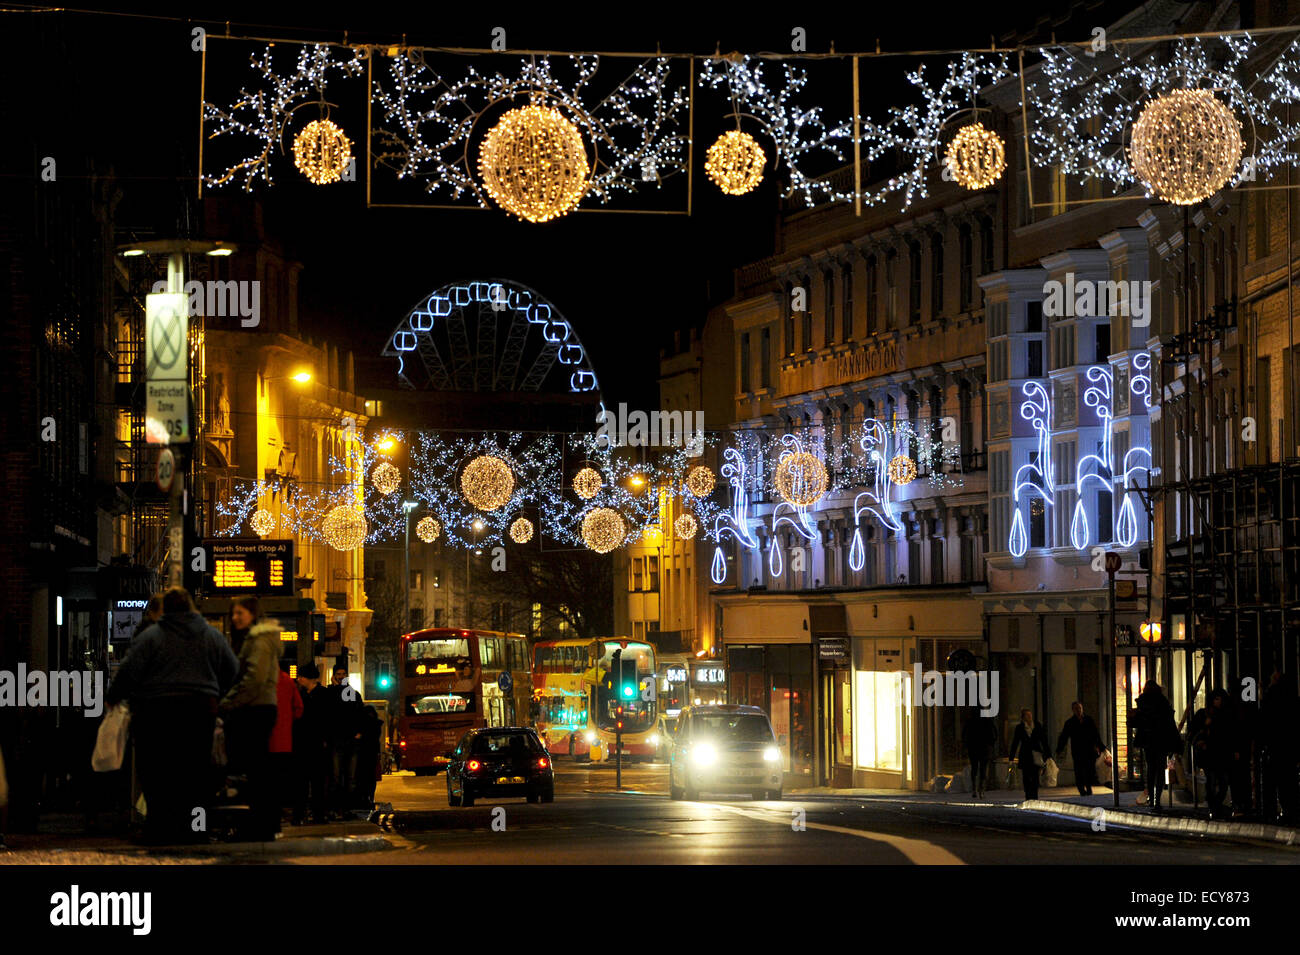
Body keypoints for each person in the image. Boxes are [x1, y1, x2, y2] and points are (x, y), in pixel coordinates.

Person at [106, 586, 238, 845]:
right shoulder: (211, 636)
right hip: (200, 711)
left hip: (156, 713)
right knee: (195, 774)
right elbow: (232, 671)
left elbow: (129, 671)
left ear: (166, 609)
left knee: (158, 774)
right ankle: (194, 829)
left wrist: (114, 697)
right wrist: (217, 694)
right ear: (191, 607)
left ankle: (160, 828)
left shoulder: (152, 637)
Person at [218, 596, 282, 840]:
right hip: (259, 707)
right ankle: (263, 823)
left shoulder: (259, 641)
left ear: (253, 615)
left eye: (240, 613)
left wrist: (230, 702)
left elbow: (253, 679)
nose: (235, 618)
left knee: (256, 769)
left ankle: (259, 825)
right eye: (233, 613)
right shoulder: (256, 640)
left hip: (256, 709)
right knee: (259, 769)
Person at [1260, 670, 1300, 825]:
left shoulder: (1270, 698)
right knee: (1288, 783)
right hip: (1288, 749)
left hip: (1274, 748)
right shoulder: (1292, 699)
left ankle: (1271, 813)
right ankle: (1290, 812)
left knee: (1272, 784)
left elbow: (1264, 724)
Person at [1133, 681, 1180, 812]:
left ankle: (1152, 800)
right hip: (1161, 740)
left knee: (1151, 770)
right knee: (1159, 770)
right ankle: (1157, 800)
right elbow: (1169, 721)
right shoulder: (1162, 702)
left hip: (1149, 741)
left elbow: (1138, 721)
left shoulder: (1143, 702)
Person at [325, 665, 365, 816]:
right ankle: (340, 808)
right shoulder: (347, 693)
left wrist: (359, 732)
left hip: (347, 740)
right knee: (338, 777)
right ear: (334, 676)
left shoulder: (352, 694)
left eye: (343, 674)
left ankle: (344, 808)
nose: (341, 676)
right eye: (338, 674)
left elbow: (360, 714)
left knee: (348, 777)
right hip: (339, 740)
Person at [294, 664, 331, 824]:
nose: (298, 679)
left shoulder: (320, 695)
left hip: (315, 743)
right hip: (306, 743)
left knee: (314, 782)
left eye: (301, 676)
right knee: (306, 782)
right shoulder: (305, 694)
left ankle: (313, 814)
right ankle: (309, 814)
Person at [270, 661, 304, 830]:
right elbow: (298, 708)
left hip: (264, 741)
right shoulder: (288, 681)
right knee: (283, 781)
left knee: (266, 782)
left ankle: (269, 817)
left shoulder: (261, 680)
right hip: (284, 741)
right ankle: (281, 816)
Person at [1190, 689, 1233, 819]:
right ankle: (1213, 806)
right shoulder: (1203, 714)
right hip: (1209, 754)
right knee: (1212, 780)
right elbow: (1194, 731)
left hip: (1221, 753)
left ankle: (1216, 804)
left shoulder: (1225, 715)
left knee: (1223, 783)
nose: (1219, 702)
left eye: (1220, 699)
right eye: (1216, 699)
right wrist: (1204, 730)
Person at [1056, 701, 1105, 796]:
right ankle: (1081, 789)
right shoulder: (1070, 723)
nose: (1078, 710)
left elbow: (1095, 734)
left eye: (1080, 708)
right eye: (1076, 709)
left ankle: (1088, 786)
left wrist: (1100, 746)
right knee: (1079, 770)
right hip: (1077, 750)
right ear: (1073, 710)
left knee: (1089, 769)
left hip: (1089, 749)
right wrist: (1059, 748)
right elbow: (1064, 736)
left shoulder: (1088, 720)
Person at [1008, 708, 1051, 800]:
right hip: (1025, 754)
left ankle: (1034, 795)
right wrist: (1011, 757)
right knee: (1026, 776)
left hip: (1036, 754)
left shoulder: (1037, 725)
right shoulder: (1019, 728)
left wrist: (1048, 755)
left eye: (1030, 715)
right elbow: (1015, 742)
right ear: (1023, 717)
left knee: (1035, 776)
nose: (1029, 717)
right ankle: (1028, 794)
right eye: (1027, 715)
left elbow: (1043, 740)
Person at [354, 705, 384, 810]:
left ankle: (364, 798)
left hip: (363, 754)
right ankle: (370, 797)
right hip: (373, 754)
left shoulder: (362, 726)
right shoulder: (376, 725)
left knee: (362, 777)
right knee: (371, 778)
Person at [962, 709, 996, 798]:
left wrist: (966, 745)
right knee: (983, 769)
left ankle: (974, 788)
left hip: (973, 747)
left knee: (974, 768)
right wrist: (991, 745)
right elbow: (994, 734)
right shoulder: (987, 721)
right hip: (984, 748)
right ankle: (981, 789)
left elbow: (964, 734)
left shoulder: (970, 721)